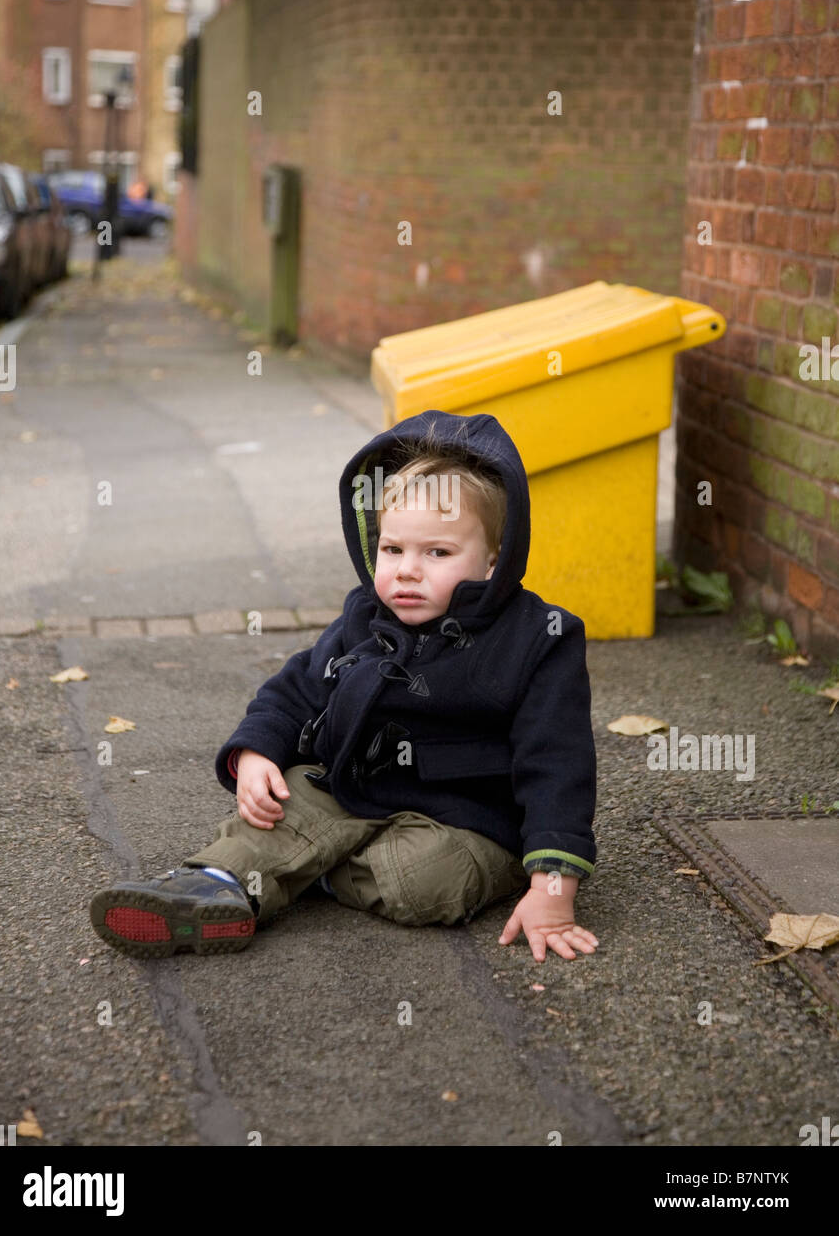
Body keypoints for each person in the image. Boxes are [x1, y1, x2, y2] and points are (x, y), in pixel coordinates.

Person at [89, 410, 599, 965]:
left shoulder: (538, 637)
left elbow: (558, 763)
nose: (406, 571)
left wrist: (553, 890)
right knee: (282, 809)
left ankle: (311, 873)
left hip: (465, 817)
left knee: (424, 881)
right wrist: (258, 750)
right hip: (350, 781)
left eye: (438, 553)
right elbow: (299, 686)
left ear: (494, 561)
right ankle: (211, 887)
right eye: (393, 549)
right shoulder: (365, 615)